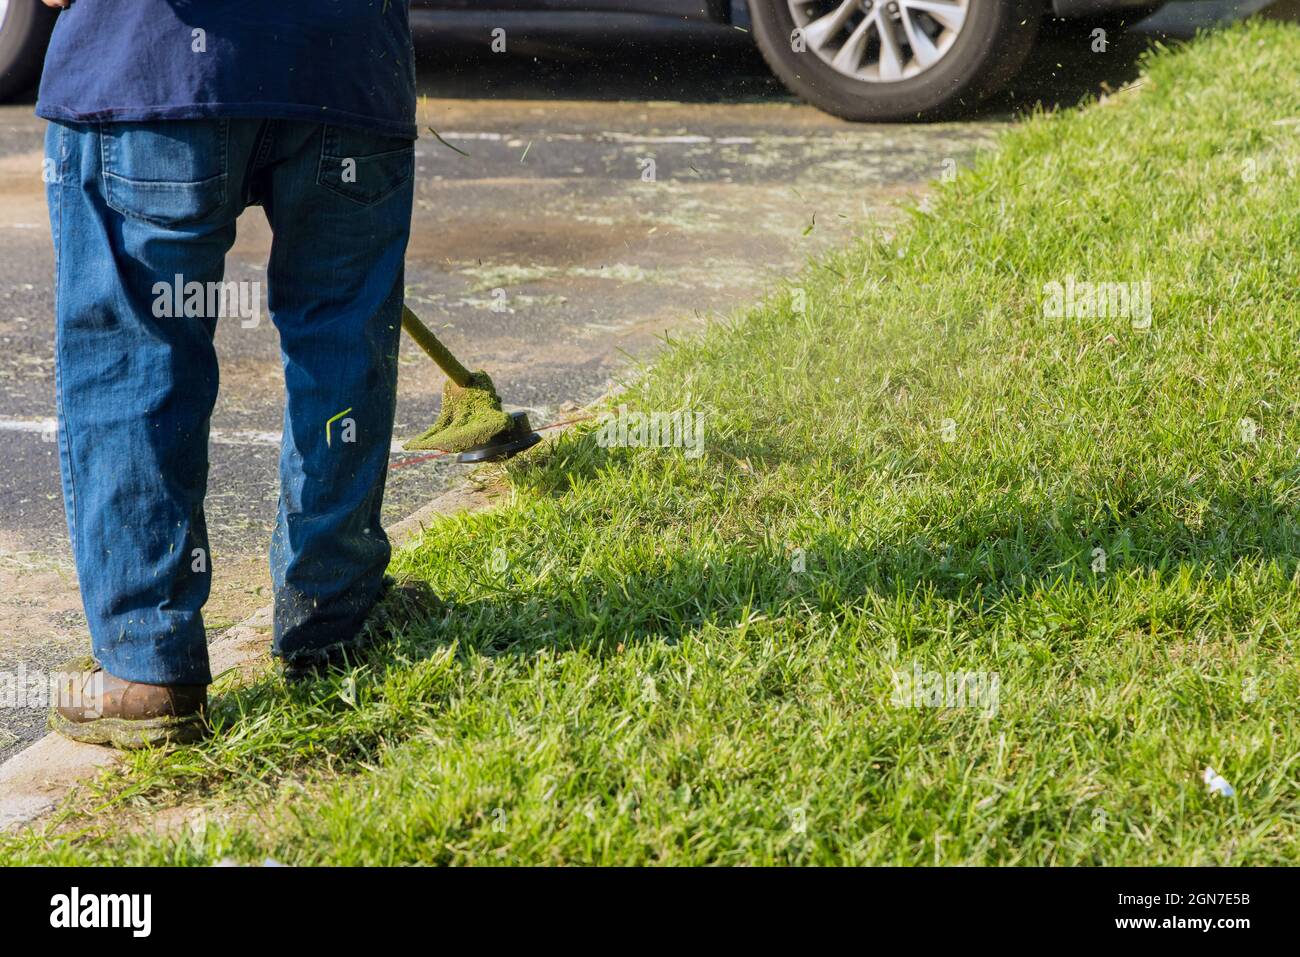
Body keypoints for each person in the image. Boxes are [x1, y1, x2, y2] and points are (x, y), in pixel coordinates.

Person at [36, 0, 418, 748]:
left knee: (137, 350)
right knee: (342, 336)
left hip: (152, 66)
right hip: (347, 69)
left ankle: (149, 663)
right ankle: (333, 615)